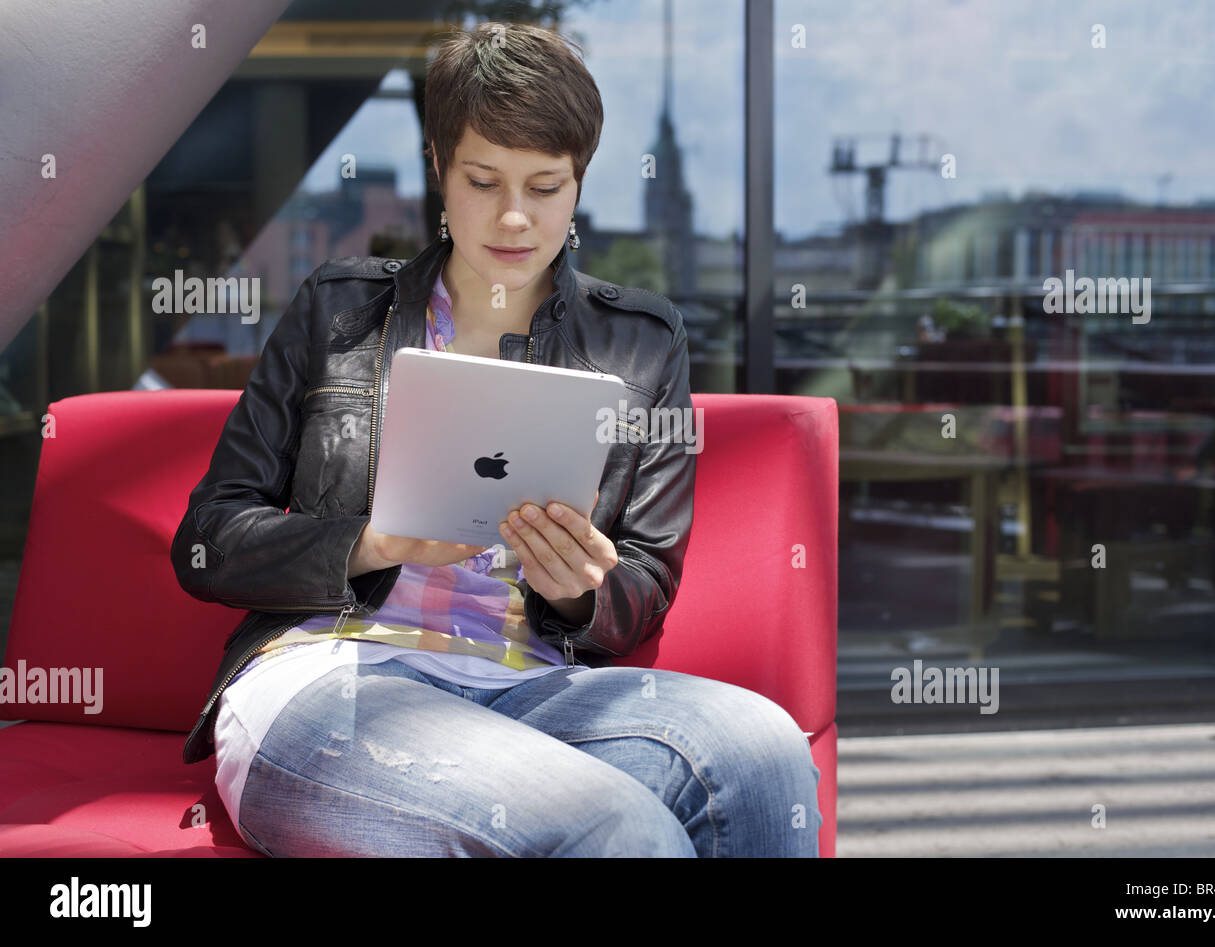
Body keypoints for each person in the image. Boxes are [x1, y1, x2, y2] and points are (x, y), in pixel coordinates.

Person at [173, 21, 822, 858]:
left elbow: (646, 578)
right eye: (484, 181)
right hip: (333, 680)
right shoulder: (339, 314)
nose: (515, 217)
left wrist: (580, 589)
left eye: (546, 187)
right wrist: (369, 543)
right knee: (622, 828)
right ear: (439, 167)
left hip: (532, 689)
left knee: (763, 752)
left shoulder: (642, 340)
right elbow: (207, 545)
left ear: (578, 183)